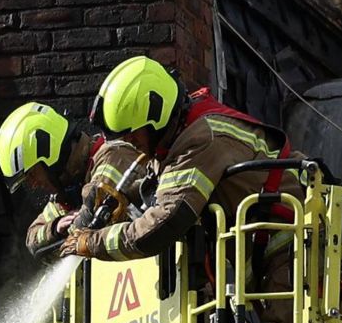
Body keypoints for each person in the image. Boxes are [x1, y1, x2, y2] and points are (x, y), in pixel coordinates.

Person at [58, 55, 298, 264]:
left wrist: (92, 243)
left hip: (297, 244)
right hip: (273, 248)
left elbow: (164, 223)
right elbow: (162, 190)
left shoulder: (200, 139)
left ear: (157, 116)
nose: (129, 140)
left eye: (132, 132)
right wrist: (125, 193)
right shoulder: (174, 140)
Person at [0, 101, 140, 258]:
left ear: (50, 153)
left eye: (32, 174)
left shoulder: (112, 159)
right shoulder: (67, 188)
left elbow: (92, 216)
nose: (33, 185)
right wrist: (55, 227)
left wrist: (70, 228)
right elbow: (32, 238)